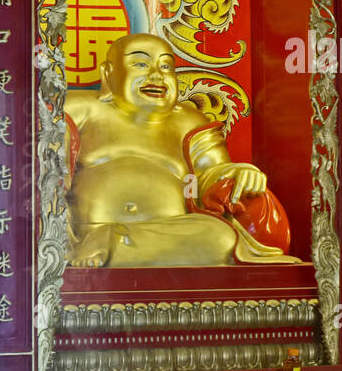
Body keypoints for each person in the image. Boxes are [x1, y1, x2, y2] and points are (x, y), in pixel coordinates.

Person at [63, 32, 297, 267]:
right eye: (141, 64)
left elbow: (211, 175)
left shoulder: (189, 121)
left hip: (171, 230)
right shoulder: (82, 109)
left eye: (166, 66)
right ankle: (101, 243)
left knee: (220, 237)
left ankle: (113, 244)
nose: (156, 75)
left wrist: (239, 174)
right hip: (86, 230)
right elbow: (46, 164)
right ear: (108, 73)